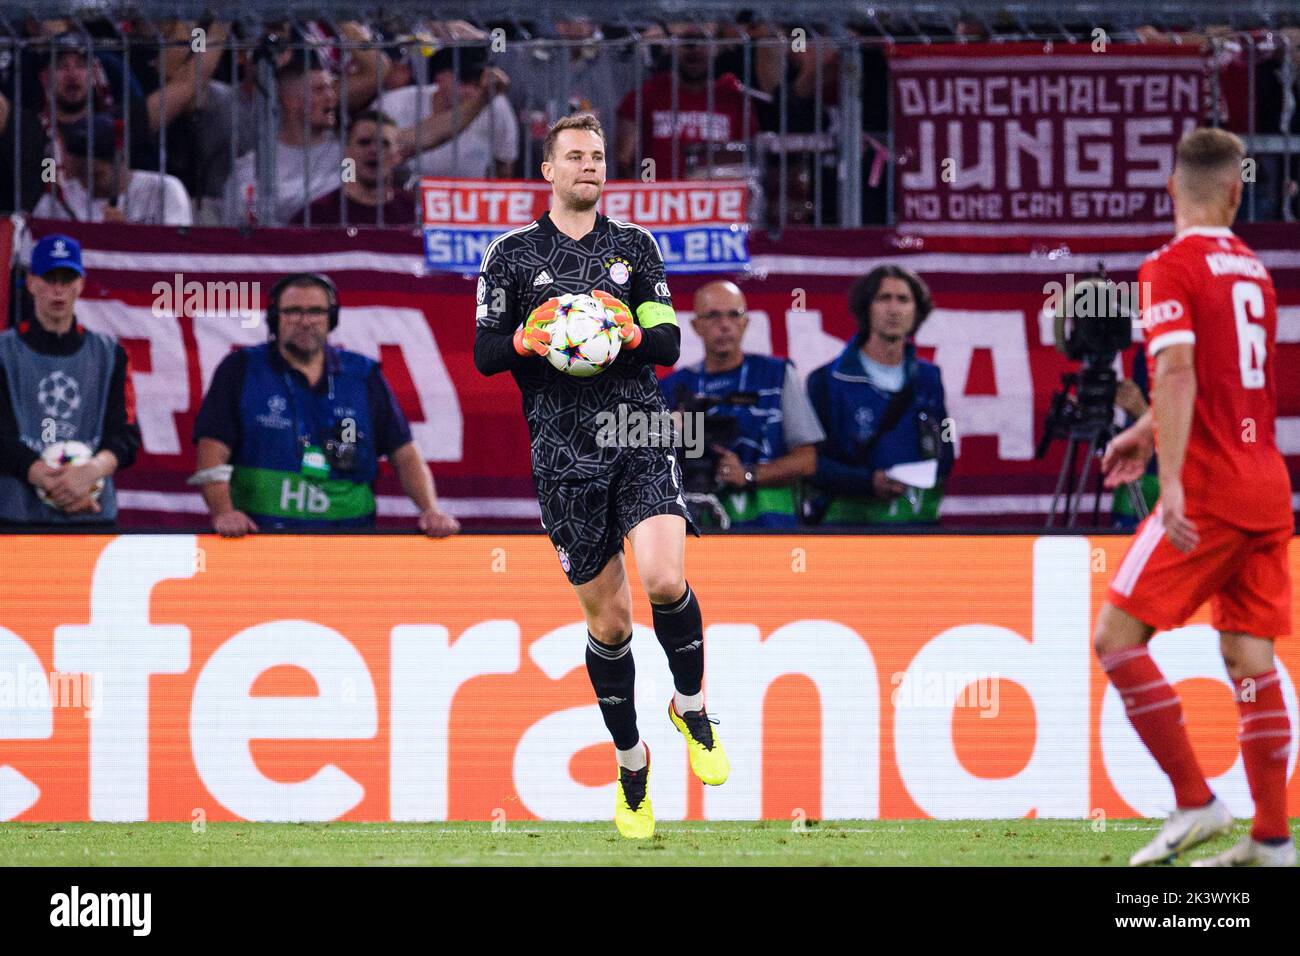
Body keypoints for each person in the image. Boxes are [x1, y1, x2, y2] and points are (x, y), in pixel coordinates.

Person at [473, 113, 728, 839]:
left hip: (641, 431)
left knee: (663, 579)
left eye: (598, 156)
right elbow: (487, 354)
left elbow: (671, 342)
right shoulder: (513, 256)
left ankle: (693, 705)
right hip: (561, 455)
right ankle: (632, 762)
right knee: (609, 624)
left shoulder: (634, 247)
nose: (590, 165)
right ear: (547, 170)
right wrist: (532, 335)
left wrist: (625, 330)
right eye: (575, 156)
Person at [1095, 128, 1295, 868]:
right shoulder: (1255, 271)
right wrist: (1149, 433)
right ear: (1238, 193)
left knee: (1115, 639)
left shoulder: (1168, 265)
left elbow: (1176, 370)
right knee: (1249, 657)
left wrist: (1170, 476)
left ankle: (1195, 799)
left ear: (1170, 188)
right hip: (1267, 489)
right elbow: (1219, 380)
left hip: (1209, 489)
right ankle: (1272, 838)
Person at [191, 272, 459, 538]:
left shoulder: (363, 375)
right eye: (294, 311)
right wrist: (223, 512)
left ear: (331, 318)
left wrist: (430, 509)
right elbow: (212, 451)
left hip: (351, 544)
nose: (306, 321)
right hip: (261, 541)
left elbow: (405, 454)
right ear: (275, 318)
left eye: (316, 311)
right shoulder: (241, 369)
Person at [0, 234, 140, 525]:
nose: (58, 290)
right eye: (50, 279)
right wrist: (42, 476)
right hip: (19, 520)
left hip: (93, 515)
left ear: (81, 284)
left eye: (67, 279)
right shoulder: (4, 353)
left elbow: (126, 435)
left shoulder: (111, 354)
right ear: (31, 282)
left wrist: (92, 471)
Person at [660, 280, 823, 528]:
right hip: (697, 525)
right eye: (713, 315)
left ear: (745, 321)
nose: (724, 325)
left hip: (773, 526)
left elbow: (807, 460)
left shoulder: (777, 374)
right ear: (695, 326)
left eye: (734, 315)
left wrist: (748, 474)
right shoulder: (672, 387)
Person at [805, 265, 953, 525]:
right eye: (884, 298)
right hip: (849, 531)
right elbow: (809, 464)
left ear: (916, 311)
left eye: (903, 300)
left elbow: (945, 447)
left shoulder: (930, 379)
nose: (894, 309)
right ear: (867, 307)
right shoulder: (826, 381)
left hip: (918, 528)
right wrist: (867, 483)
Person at [615, 23, 756, 180]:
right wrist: (647, 192)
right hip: (658, 198)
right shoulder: (645, 95)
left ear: (716, 48)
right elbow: (624, 159)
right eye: (687, 43)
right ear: (671, 47)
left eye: (703, 42)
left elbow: (748, 160)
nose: (695, 50)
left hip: (715, 198)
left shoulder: (733, 99)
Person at [377, 44, 519, 180]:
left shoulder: (495, 106)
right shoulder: (393, 105)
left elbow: (503, 168)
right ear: (439, 78)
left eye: (477, 83)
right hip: (405, 199)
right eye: (465, 81)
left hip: (470, 201)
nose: (471, 91)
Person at [33, 113, 193, 224]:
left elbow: (179, 261)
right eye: (81, 175)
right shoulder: (56, 201)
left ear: (121, 161)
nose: (88, 183)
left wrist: (124, 235)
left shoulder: (164, 189)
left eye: (97, 175)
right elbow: (29, 263)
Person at [290, 111, 416, 226]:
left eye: (383, 144)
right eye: (364, 142)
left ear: (397, 155)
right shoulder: (315, 217)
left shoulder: (415, 213)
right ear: (346, 153)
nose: (373, 150)